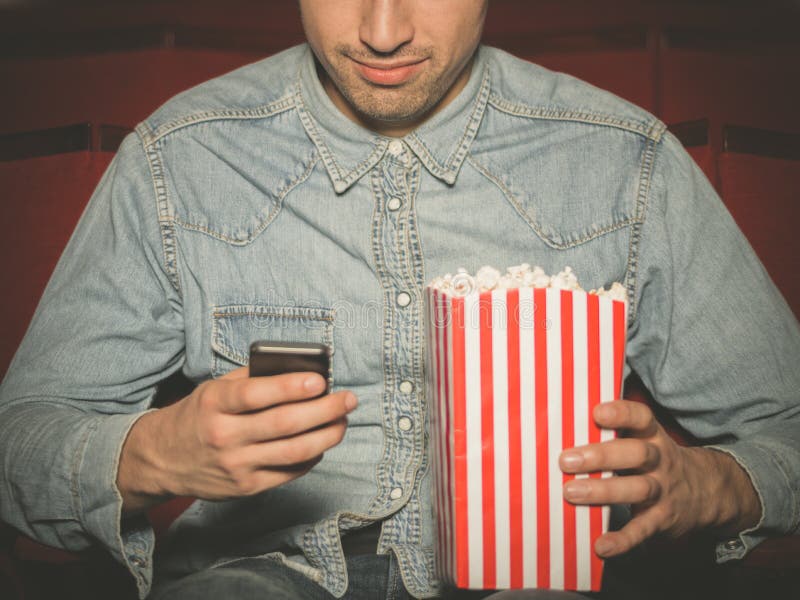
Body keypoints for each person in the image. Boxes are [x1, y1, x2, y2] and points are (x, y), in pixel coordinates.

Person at [1, 1, 798, 599]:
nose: (383, 31)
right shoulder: (177, 160)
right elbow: (19, 446)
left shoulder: (625, 160)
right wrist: (148, 454)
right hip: (256, 576)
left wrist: (716, 486)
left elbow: (788, 428)